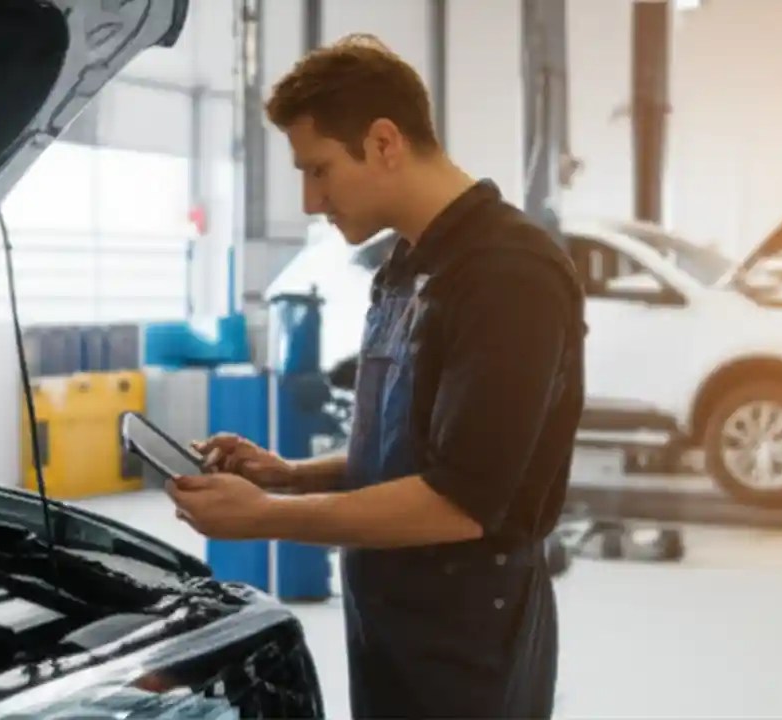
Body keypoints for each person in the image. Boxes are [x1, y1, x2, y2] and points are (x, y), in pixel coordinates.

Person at [166, 33, 585, 719]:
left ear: (385, 142)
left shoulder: (508, 274)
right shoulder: (409, 265)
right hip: (392, 611)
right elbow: (413, 446)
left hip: (468, 633)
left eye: (319, 170)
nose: (308, 200)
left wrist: (271, 518)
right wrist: (291, 474)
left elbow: (461, 499)